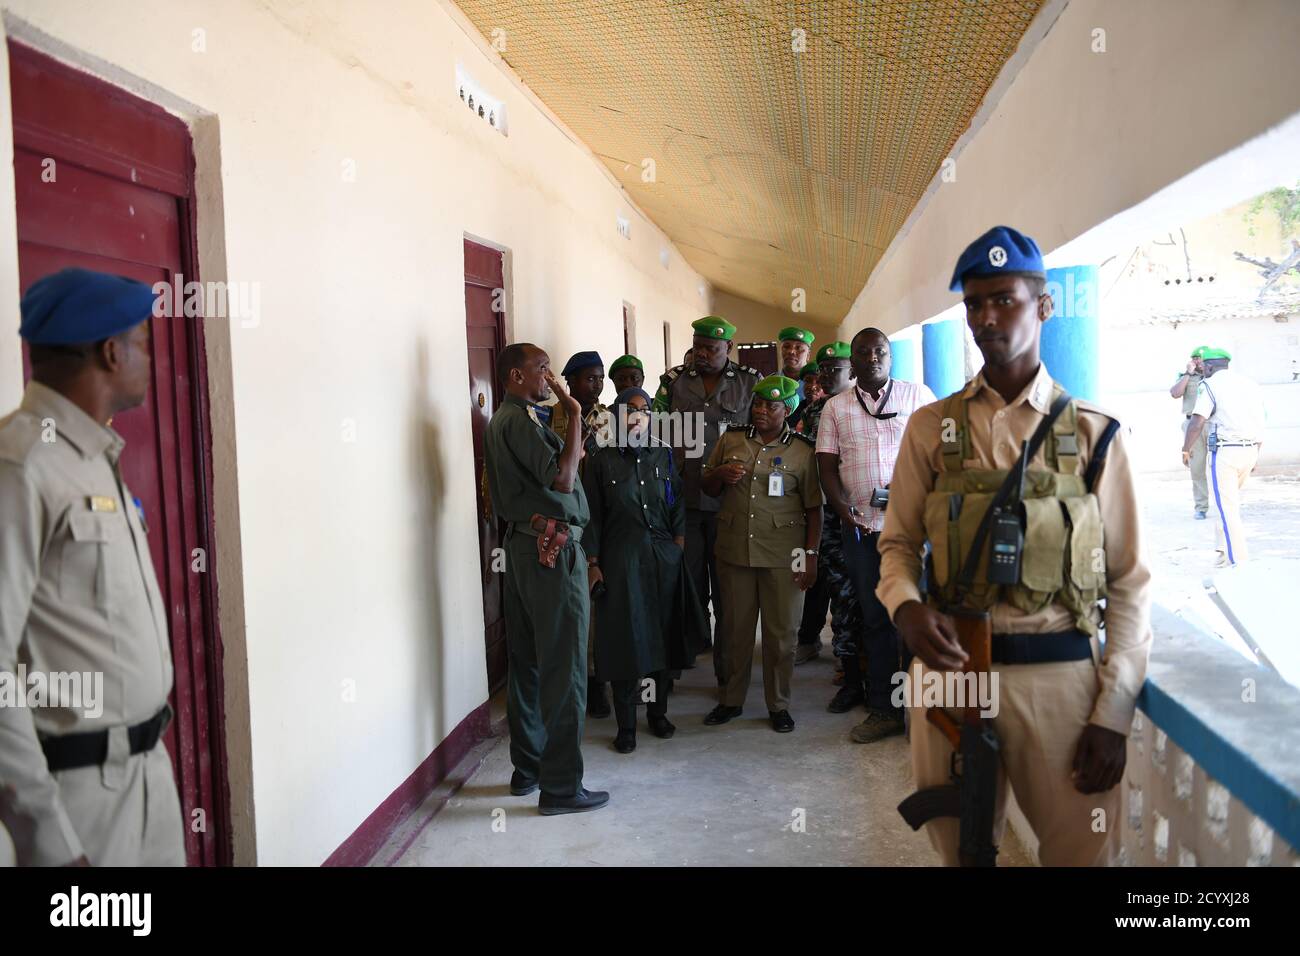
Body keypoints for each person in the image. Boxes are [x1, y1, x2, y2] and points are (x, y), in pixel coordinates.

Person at [879, 225, 1152, 865]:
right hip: (953, 673)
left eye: (1004, 299)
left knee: (1078, 854)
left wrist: (1112, 712)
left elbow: (1130, 583)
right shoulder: (929, 428)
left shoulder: (1093, 434)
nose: (986, 318)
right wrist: (906, 607)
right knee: (960, 853)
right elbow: (897, 545)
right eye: (974, 303)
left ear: (1044, 305)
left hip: (1059, 677)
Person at [0, 268, 186, 865]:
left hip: (145, 778)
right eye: (145, 344)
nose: (150, 360)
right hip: (81, 811)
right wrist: (47, 839)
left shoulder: (89, 456)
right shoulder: (22, 464)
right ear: (112, 351)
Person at [484, 342, 609, 815]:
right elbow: (562, 478)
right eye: (541, 369)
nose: (548, 376)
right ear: (516, 376)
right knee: (565, 668)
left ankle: (529, 769)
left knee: (530, 663)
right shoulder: (517, 419)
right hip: (551, 553)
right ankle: (560, 787)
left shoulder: (514, 418)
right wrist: (574, 412)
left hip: (527, 547)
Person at [816, 329, 936, 743]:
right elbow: (827, 467)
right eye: (863, 353)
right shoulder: (836, 408)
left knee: (916, 618)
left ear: (891, 356)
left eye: (880, 351)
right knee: (876, 621)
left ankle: (922, 713)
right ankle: (884, 710)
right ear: (853, 362)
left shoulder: (918, 395)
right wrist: (841, 508)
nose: (872, 358)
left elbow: (940, 453)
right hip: (862, 532)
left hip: (911, 531)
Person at [582, 388, 709, 753]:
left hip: (661, 559)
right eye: (630, 410)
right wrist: (594, 564)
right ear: (618, 416)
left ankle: (658, 714)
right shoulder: (601, 460)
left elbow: (675, 502)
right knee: (626, 642)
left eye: (645, 410)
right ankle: (626, 726)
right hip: (621, 561)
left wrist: (678, 545)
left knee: (661, 638)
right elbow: (593, 516)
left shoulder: (663, 455)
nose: (638, 416)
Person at [699, 375, 822, 732]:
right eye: (757, 404)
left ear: (788, 410)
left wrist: (811, 555)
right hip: (735, 550)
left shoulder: (803, 450)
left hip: (785, 555)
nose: (762, 410)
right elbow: (706, 485)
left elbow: (815, 508)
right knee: (734, 632)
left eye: (771, 405)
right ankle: (731, 700)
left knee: (781, 635)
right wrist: (720, 473)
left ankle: (778, 704)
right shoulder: (732, 439)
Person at [654, 317, 760, 686]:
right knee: (688, 585)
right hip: (686, 502)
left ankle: (728, 675)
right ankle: (683, 660)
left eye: (711, 349)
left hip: (733, 503)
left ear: (728, 348)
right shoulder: (673, 382)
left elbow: (764, 435)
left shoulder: (750, 382)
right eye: (698, 346)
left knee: (731, 592)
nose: (702, 354)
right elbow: (659, 435)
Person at [549, 350, 613, 717]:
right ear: (570, 380)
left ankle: (596, 682)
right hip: (563, 519)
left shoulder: (607, 419)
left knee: (596, 609)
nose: (597, 384)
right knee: (569, 611)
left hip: (598, 516)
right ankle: (572, 682)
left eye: (600, 378)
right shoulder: (548, 414)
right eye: (590, 378)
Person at [793, 344, 850, 664]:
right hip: (817, 504)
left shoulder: (860, 406)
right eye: (823, 370)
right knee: (812, 573)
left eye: (834, 369)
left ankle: (846, 651)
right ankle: (808, 637)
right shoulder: (812, 410)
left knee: (844, 581)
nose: (826, 376)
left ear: (850, 371)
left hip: (848, 505)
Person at [1182, 347, 1266, 567]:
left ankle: (1236, 561)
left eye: (1204, 367)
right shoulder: (1250, 385)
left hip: (1226, 452)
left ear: (1209, 367)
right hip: (1250, 450)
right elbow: (1261, 420)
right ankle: (1223, 551)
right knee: (1226, 503)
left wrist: (1185, 448)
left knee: (1227, 508)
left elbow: (1197, 421)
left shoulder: (1209, 385)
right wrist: (1256, 453)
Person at [1170, 346, 1211, 519]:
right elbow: (1175, 393)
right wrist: (1188, 374)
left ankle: (1226, 503)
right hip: (1192, 424)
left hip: (1212, 423)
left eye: (1200, 358)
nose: (1197, 361)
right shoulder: (1185, 377)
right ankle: (1201, 507)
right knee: (1196, 467)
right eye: (1194, 358)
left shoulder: (1214, 376)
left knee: (1222, 466)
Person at [778, 326, 815, 399]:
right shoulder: (770, 382)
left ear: (808, 355)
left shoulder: (817, 385)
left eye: (798, 348)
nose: (791, 352)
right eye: (786, 347)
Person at [787, 361, 823, 433]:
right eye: (808, 381)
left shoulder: (831, 409)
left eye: (819, 382)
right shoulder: (794, 410)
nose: (812, 387)